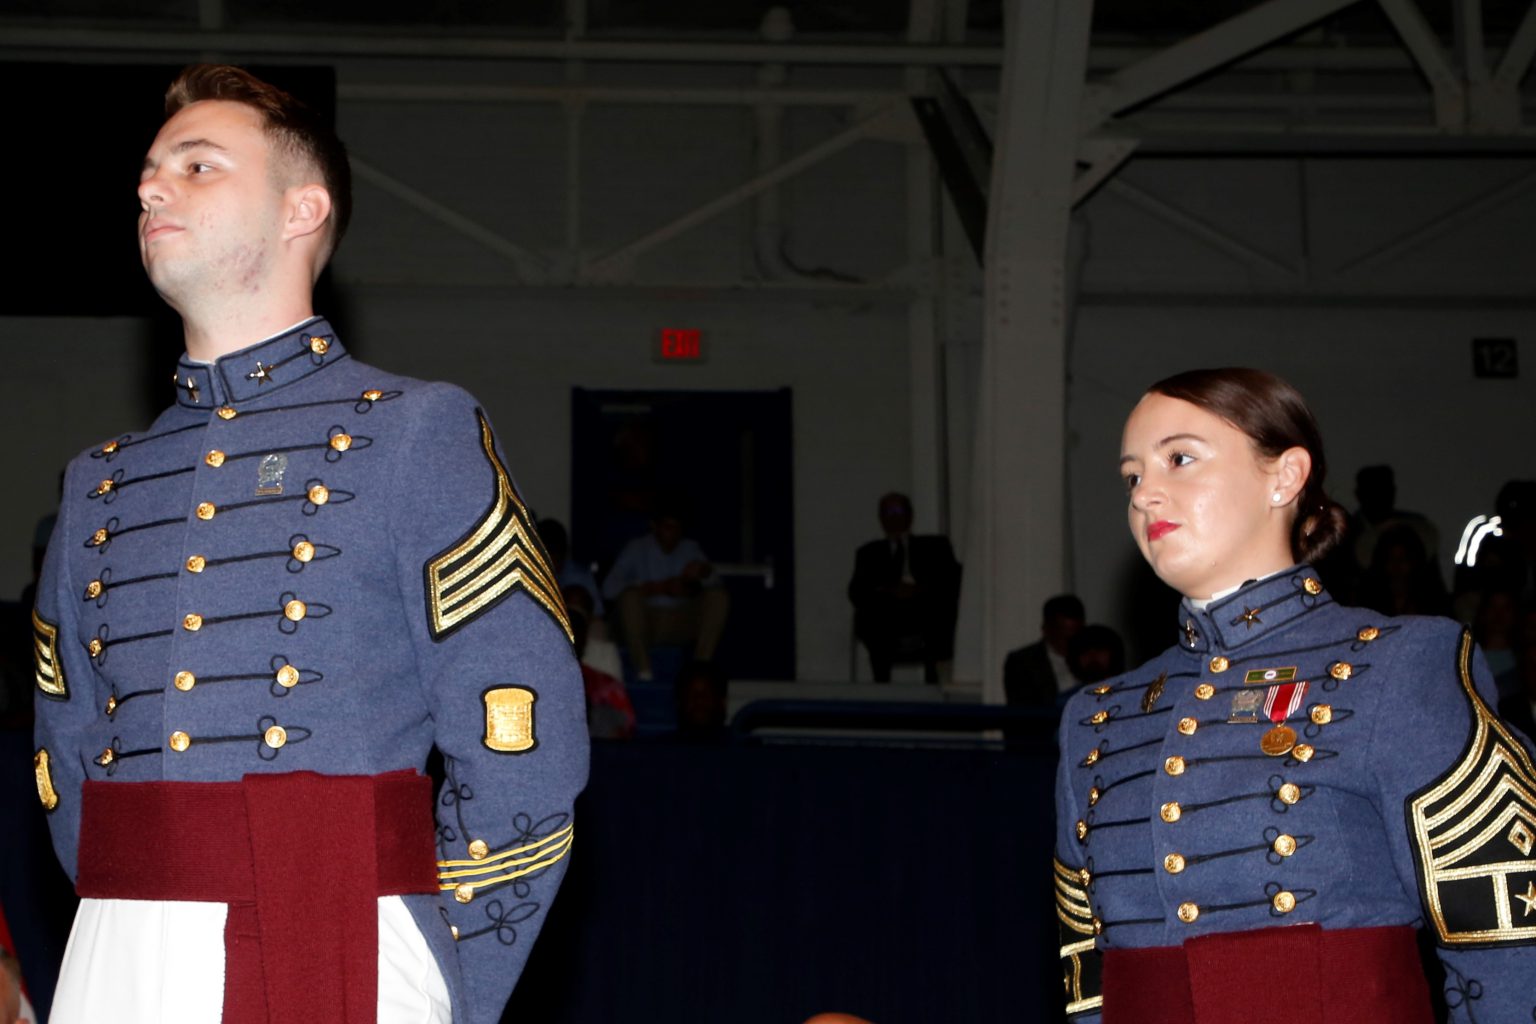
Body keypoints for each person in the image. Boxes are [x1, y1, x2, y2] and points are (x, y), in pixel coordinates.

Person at [31, 64, 587, 1024]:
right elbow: (63, 749)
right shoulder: (99, 479)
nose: (152, 189)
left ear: (302, 210)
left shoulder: (420, 430)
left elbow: (519, 736)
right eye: (149, 174)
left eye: (198, 166)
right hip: (113, 946)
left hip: (342, 936)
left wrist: (440, 972)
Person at [1053, 368, 1536, 1023]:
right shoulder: (1097, 715)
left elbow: (1505, 938)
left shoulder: (1399, 663)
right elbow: (1088, 972)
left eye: (1180, 459)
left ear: (1284, 476)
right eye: (1133, 475)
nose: (1146, 495)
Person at [602, 504, 728, 682]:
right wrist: (658, 588)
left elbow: (714, 581)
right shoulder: (637, 548)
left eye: (678, 528)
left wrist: (699, 576)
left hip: (679, 619)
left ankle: (700, 670)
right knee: (629, 598)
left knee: (718, 597)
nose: (673, 533)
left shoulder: (690, 548)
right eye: (668, 527)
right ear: (655, 526)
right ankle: (644, 672)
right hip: (647, 619)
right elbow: (609, 589)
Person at [847, 492, 961, 682]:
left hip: (925, 610)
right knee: (872, 616)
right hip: (886, 614)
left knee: (940, 612)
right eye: (887, 511)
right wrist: (888, 590)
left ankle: (933, 686)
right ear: (880, 517)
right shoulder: (868, 553)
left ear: (909, 514)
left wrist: (919, 589)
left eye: (897, 510)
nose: (892, 515)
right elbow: (856, 591)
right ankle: (881, 685)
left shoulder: (935, 547)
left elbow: (951, 582)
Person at [1003, 594, 1086, 708]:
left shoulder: (1094, 658)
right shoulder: (1023, 663)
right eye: (1063, 636)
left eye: (1075, 636)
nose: (1070, 643)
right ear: (1046, 629)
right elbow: (1022, 713)